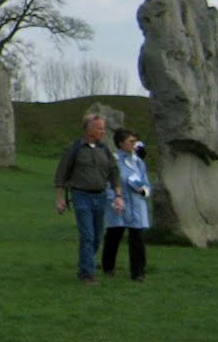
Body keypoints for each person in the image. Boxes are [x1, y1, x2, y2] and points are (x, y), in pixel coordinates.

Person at [53, 113, 125, 283]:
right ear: (89, 130)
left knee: (97, 236)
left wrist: (118, 195)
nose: (103, 131)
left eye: (103, 127)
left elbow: (114, 173)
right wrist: (60, 199)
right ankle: (88, 274)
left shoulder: (104, 149)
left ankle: (84, 264)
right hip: (81, 196)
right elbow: (62, 174)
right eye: (100, 128)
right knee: (87, 235)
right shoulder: (75, 148)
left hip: (100, 196)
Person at [102, 128, 151, 281]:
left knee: (137, 238)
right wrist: (113, 199)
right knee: (114, 236)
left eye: (135, 141)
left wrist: (143, 191)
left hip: (136, 205)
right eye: (131, 141)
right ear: (121, 143)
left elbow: (147, 183)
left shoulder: (139, 162)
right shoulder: (113, 161)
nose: (134, 144)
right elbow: (107, 184)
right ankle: (108, 267)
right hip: (119, 204)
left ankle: (138, 272)